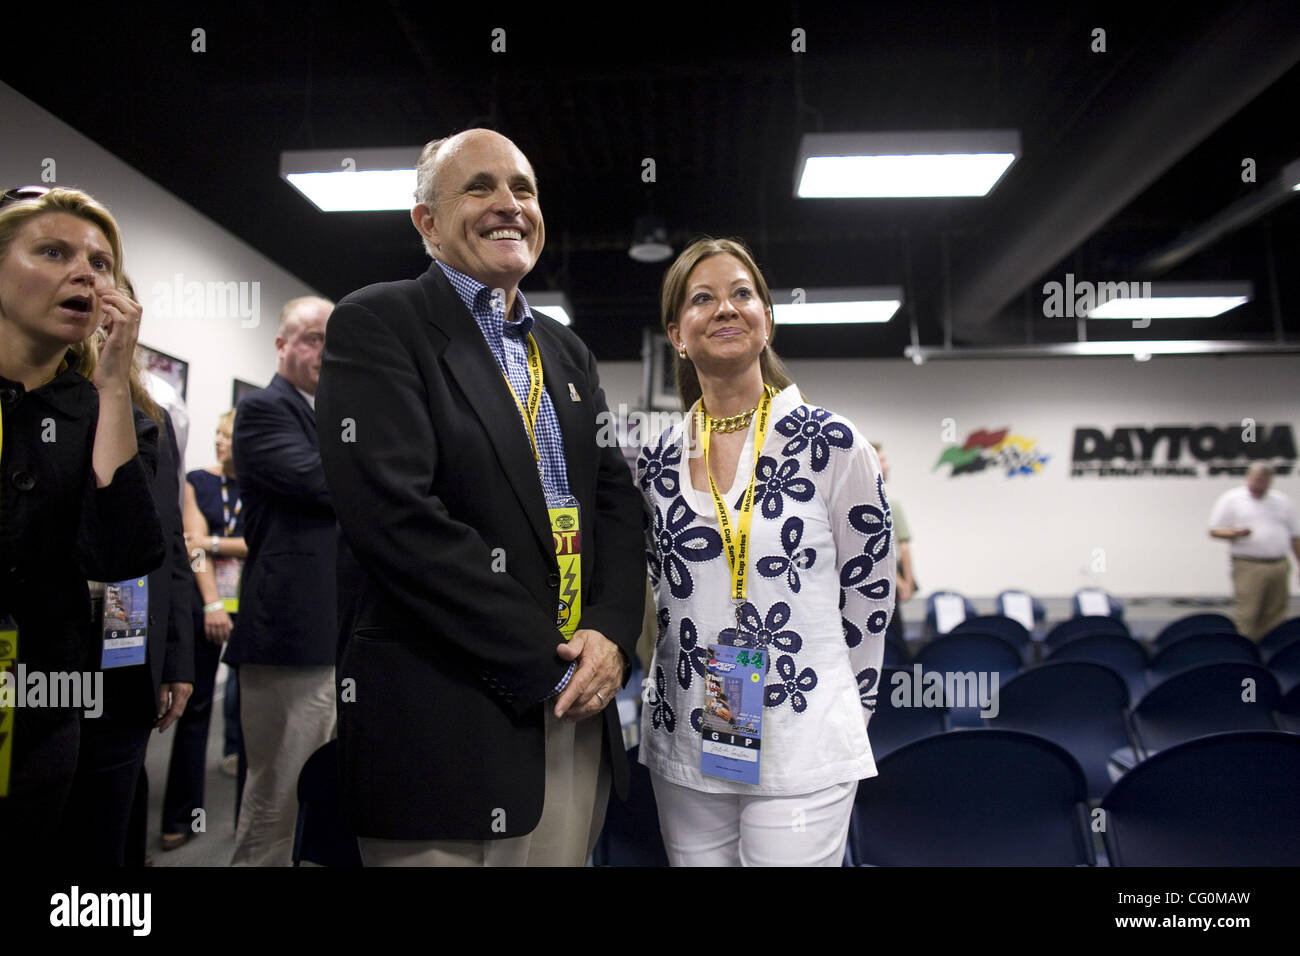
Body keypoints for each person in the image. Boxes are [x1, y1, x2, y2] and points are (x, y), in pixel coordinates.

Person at [317, 128, 645, 866]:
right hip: (442, 724)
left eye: (523, 189)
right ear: (426, 222)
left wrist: (612, 636)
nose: (509, 205)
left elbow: (617, 504)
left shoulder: (565, 350)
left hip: (574, 707)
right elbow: (396, 520)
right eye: (480, 187)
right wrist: (551, 658)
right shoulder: (379, 322)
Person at [636, 237, 894, 866]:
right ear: (677, 334)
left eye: (741, 293)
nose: (725, 308)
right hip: (686, 727)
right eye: (703, 299)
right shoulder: (658, 459)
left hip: (803, 732)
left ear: (767, 319)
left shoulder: (832, 443)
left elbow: (870, 594)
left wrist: (845, 711)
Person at [0, 186, 164, 863]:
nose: (85, 274)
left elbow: (122, 555)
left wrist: (113, 382)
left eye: (100, 263)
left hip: (41, 701)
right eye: (54, 252)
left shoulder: (111, 412)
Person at [224, 296, 337, 866]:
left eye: (331, 339)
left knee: (320, 794)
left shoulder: (327, 415)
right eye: (312, 337)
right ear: (282, 345)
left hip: (333, 633)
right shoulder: (263, 409)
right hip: (291, 636)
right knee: (278, 795)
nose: (324, 350)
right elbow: (321, 482)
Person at [160, 409, 246, 850]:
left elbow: (262, 543)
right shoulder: (197, 480)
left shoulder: (263, 483)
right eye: (216, 434)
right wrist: (212, 602)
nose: (218, 442)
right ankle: (179, 816)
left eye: (228, 436)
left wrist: (214, 541)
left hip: (252, 606)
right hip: (207, 603)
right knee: (195, 709)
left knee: (250, 703)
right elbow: (192, 545)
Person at [1209, 463, 1300, 640]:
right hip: (1248, 564)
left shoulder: (1282, 502)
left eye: (1264, 481)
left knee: (1276, 613)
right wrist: (1234, 533)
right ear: (1248, 478)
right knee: (1248, 613)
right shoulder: (1232, 499)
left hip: (1279, 563)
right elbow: (1214, 530)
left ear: (1270, 481)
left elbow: (1295, 536)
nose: (1259, 485)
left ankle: (1272, 652)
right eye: (1256, 480)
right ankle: (1245, 650)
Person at [872, 443, 915, 645]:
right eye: (882, 460)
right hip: (883, 583)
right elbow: (883, 548)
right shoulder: (883, 503)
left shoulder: (891, 503)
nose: (887, 466)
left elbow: (901, 548)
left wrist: (906, 582)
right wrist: (902, 581)